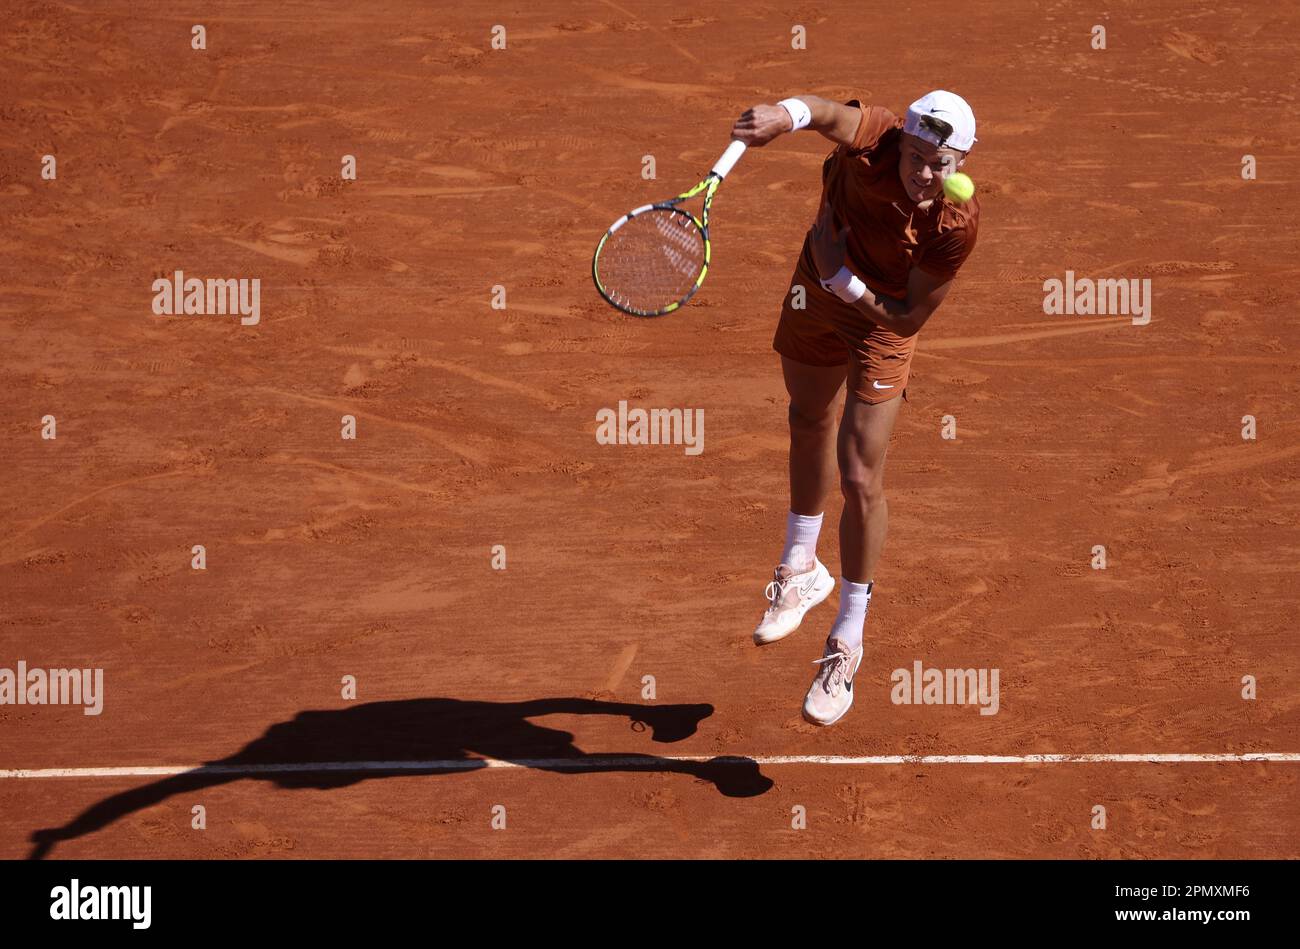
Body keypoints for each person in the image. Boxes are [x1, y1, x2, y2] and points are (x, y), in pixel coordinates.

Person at [730, 91, 981, 726]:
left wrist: (845, 279)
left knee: (860, 474)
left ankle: (847, 639)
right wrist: (781, 117)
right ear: (904, 144)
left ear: (962, 161)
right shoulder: (874, 138)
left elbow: (910, 317)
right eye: (918, 156)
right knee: (806, 418)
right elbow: (822, 114)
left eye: (941, 163)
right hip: (813, 294)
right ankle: (800, 566)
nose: (925, 173)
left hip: (879, 323)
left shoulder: (955, 223)